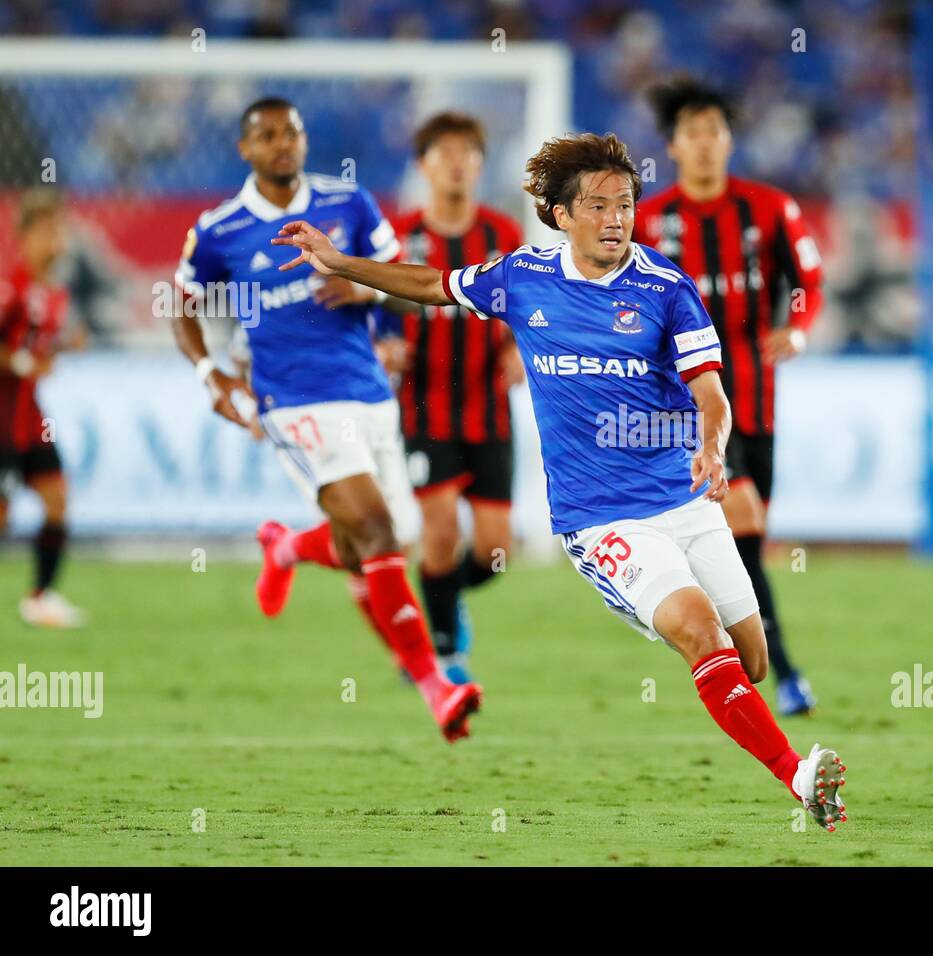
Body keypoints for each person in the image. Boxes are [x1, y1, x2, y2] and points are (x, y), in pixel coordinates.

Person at [271, 132, 847, 830]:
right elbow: (430, 284)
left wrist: (714, 446)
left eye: (626, 204)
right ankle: (799, 775)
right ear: (560, 215)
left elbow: (711, 393)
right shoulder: (522, 276)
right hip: (603, 518)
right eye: (598, 206)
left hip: (688, 501)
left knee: (749, 662)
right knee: (700, 631)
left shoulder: (666, 288)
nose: (615, 218)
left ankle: (704, 658)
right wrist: (340, 262)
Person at [170, 97, 480, 742]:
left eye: (294, 132)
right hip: (292, 401)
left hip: (367, 391)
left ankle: (287, 545)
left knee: (374, 543)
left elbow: (409, 283)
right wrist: (211, 375)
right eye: (268, 135)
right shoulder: (220, 229)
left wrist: (366, 290)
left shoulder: (349, 203)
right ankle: (436, 688)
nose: (284, 143)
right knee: (375, 529)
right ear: (244, 150)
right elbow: (182, 303)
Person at [635, 75, 824, 716]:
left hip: (758, 398)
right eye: (693, 133)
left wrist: (796, 326)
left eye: (716, 131)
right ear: (674, 145)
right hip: (689, 407)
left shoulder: (770, 209)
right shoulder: (653, 222)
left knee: (748, 537)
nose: (707, 143)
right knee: (741, 517)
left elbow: (808, 281)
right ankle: (784, 671)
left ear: (730, 141)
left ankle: (721, 639)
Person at [363, 111, 525, 684]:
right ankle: (444, 652)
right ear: (424, 165)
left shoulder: (503, 234)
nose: (457, 162)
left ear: (480, 164)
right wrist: (381, 346)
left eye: (468, 151)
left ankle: (440, 597)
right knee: (438, 532)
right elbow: (366, 303)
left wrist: (518, 351)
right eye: (444, 151)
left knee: (494, 549)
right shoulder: (397, 234)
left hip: (488, 408)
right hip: (424, 405)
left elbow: (526, 306)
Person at [0, 189, 85, 629]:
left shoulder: (54, 296)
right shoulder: (10, 288)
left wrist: (62, 348)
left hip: (29, 416)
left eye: (60, 229)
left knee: (57, 497)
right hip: (2, 416)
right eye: (49, 230)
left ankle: (40, 598)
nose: (58, 239)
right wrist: (20, 361)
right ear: (28, 235)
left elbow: (38, 352)